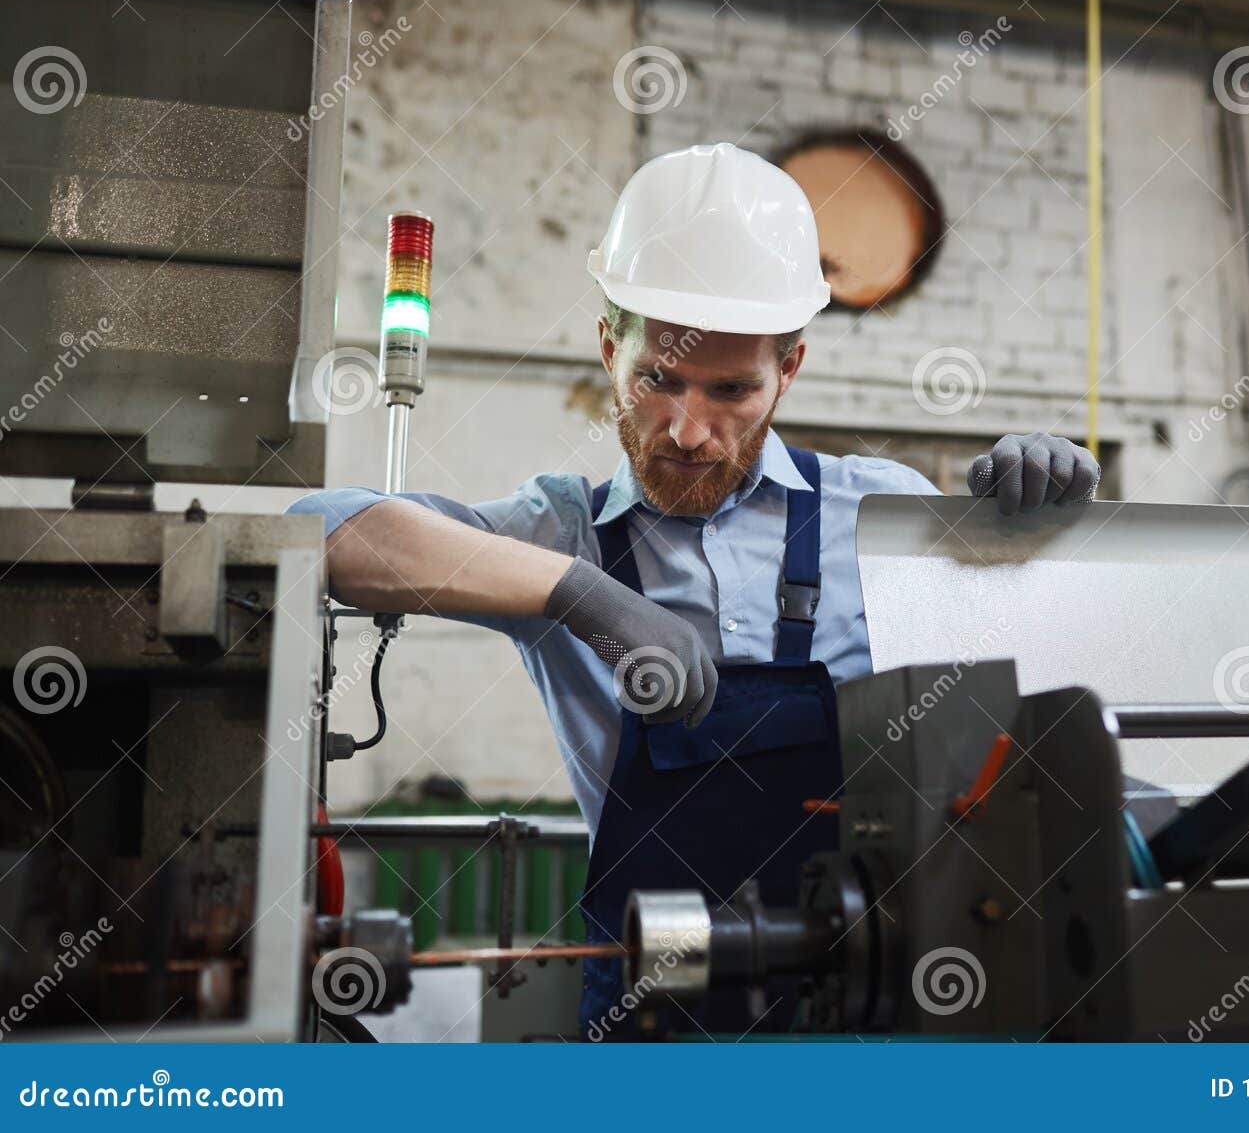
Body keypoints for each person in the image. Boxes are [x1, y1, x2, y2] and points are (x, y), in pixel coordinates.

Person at [288, 142, 1099, 1033]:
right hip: (653, 1020)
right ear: (608, 350)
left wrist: (1041, 522)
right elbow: (322, 532)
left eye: (731, 390)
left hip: (870, 1009)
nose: (687, 429)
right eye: (657, 379)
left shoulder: (884, 516)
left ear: (789, 369)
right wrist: (575, 592)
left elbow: (1033, 718)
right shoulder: (561, 531)